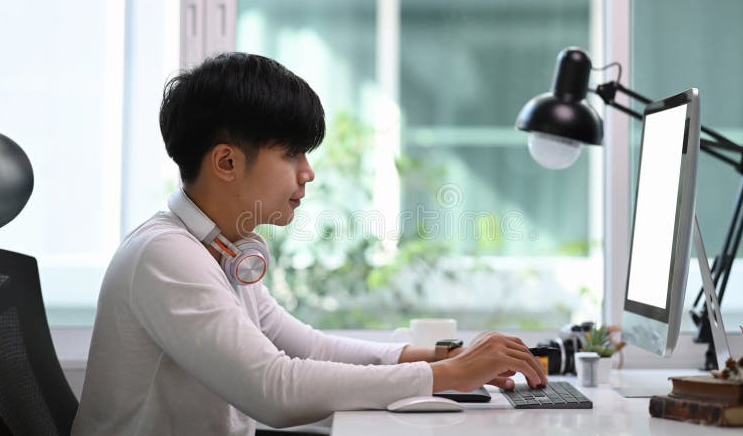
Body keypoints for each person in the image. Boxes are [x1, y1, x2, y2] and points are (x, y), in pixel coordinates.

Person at [71, 52, 547, 435]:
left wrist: (436, 357)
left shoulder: (222, 248)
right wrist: (448, 378)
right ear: (226, 162)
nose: (308, 172)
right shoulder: (167, 256)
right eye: (291, 153)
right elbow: (274, 391)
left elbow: (308, 348)